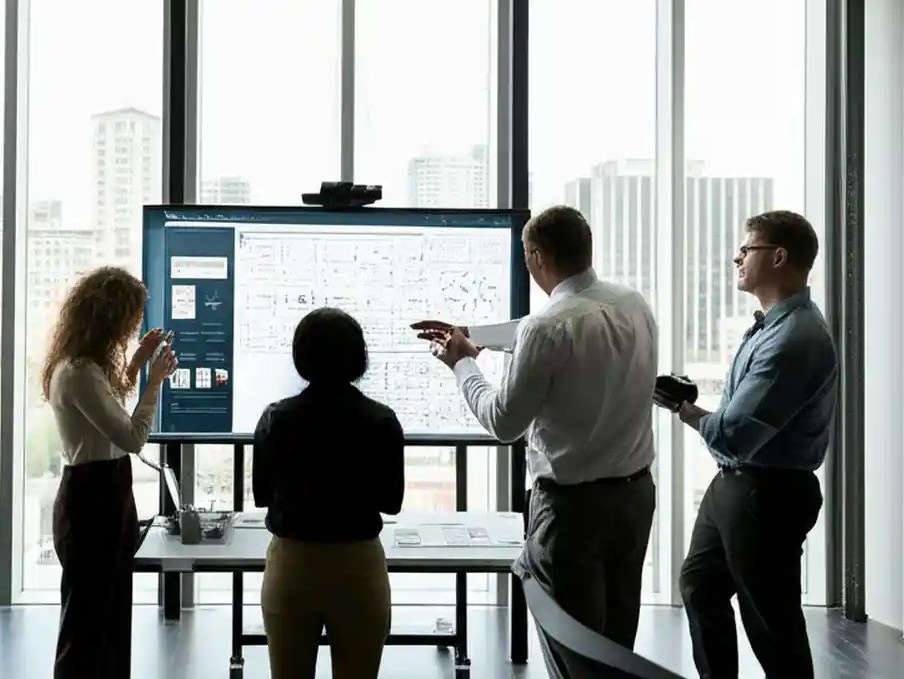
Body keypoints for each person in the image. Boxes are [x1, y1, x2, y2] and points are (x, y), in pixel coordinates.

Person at [413, 205, 658, 679]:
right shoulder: (632, 303)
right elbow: (550, 329)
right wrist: (472, 335)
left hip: (572, 513)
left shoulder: (544, 329)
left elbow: (504, 422)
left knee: (573, 649)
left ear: (537, 257)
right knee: (614, 648)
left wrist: (463, 363)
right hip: (633, 499)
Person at [656, 211, 836, 679]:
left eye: (747, 249)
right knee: (700, 586)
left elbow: (734, 434)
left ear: (778, 257)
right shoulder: (771, 326)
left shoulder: (794, 338)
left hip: (766, 494)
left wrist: (686, 411)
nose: (737, 257)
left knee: (771, 622)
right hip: (738, 484)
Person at [252, 307, 405, 679]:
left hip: (292, 564)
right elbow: (391, 502)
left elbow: (262, 494)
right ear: (358, 357)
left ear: (301, 357)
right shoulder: (381, 420)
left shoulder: (276, 418)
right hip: (358, 566)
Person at [41, 266, 178, 679]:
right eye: (130, 320)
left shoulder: (81, 367)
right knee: (89, 627)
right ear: (110, 318)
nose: (131, 329)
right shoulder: (80, 372)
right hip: (94, 500)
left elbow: (110, 402)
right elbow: (132, 436)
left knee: (106, 620)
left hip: (103, 494)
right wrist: (154, 382)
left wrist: (137, 362)